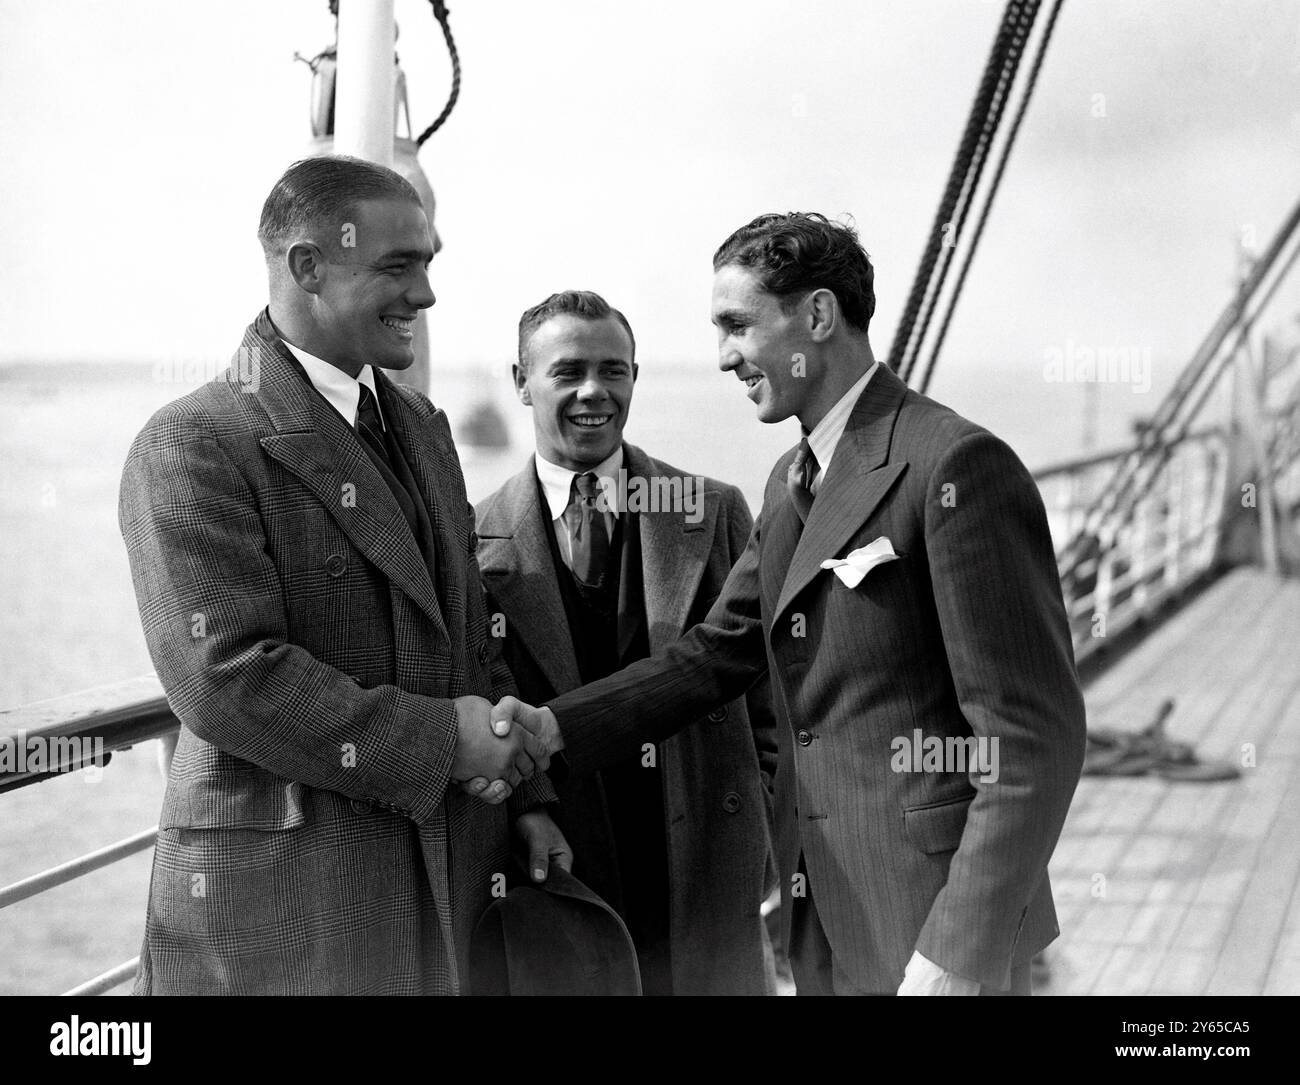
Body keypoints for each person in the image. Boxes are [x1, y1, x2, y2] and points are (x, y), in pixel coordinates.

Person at [490, 212, 1087, 995]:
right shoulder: (791, 480)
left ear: (817, 316)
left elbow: (1032, 740)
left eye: (737, 325)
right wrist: (554, 729)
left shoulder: (955, 464)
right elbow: (715, 653)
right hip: (823, 915)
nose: (725, 356)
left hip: (929, 925)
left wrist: (955, 954)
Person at [118, 155, 566, 996]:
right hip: (286, 910)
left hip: (440, 888)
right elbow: (225, 681)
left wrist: (526, 787)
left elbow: (471, 628)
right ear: (307, 266)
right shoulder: (194, 441)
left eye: (429, 264)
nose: (426, 295)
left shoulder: (422, 426)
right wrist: (446, 741)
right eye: (399, 266)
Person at [475, 290, 779, 995]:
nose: (594, 392)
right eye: (568, 370)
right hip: (565, 871)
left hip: (702, 864)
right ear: (521, 382)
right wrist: (529, 815)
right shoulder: (471, 541)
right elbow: (481, 699)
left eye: (614, 370)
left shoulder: (714, 510)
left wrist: (758, 825)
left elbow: (771, 695)